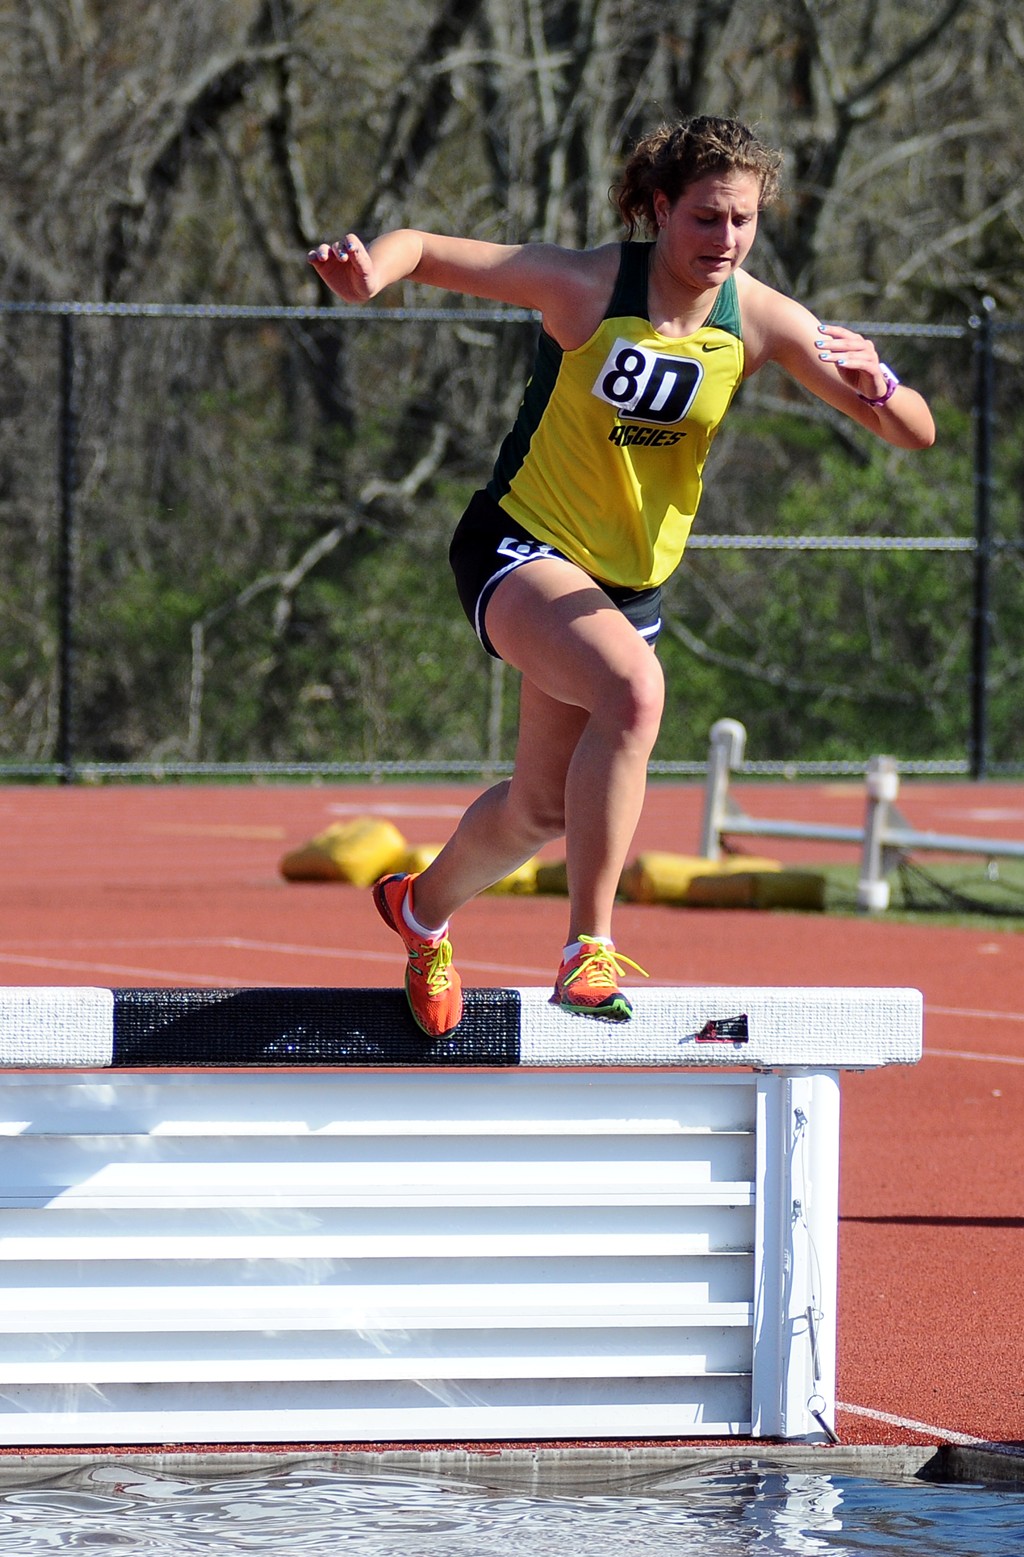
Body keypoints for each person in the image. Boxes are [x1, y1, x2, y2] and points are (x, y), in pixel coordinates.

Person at [309, 114, 935, 1038]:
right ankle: (586, 949)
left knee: (537, 813)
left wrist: (878, 384)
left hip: (625, 586)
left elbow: (913, 431)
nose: (724, 242)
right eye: (704, 220)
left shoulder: (759, 319)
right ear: (655, 210)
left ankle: (419, 910)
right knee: (636, 694)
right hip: (519, 545)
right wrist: (372, 273)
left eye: (743, 222)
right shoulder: (585, 285)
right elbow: (430, 250)